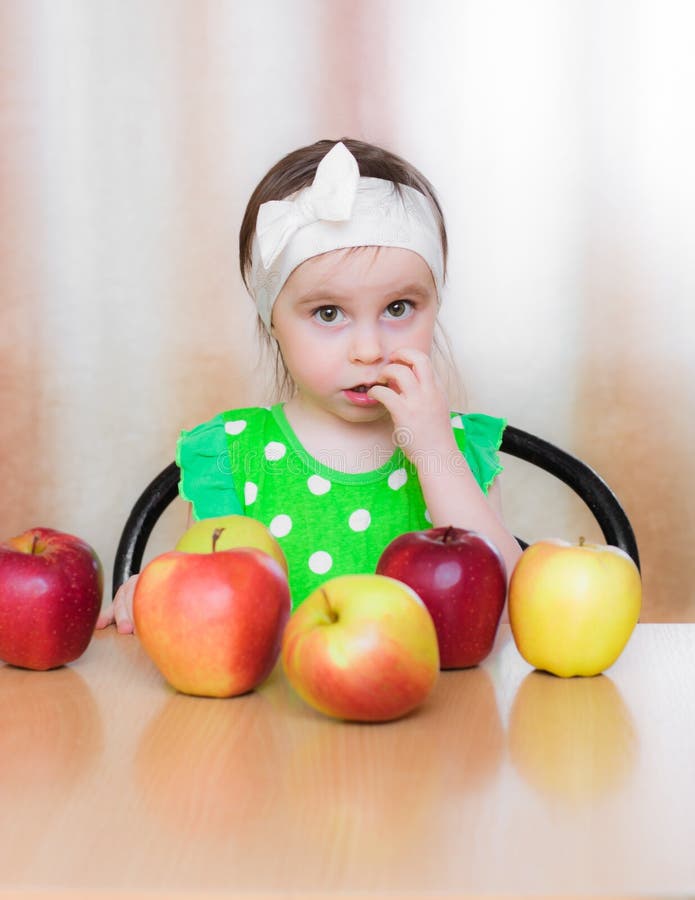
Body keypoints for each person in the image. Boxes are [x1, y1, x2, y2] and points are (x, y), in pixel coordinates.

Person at [97, 137, 522, 633]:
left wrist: (434, 450)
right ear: (271, 320)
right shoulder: (234, 456)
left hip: (439, 704)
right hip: (269, 710)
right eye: (328, 313)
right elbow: (209, 604)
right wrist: (152, 594)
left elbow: (514, 599)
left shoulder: (458, 450)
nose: (369, 349)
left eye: (399, 308)